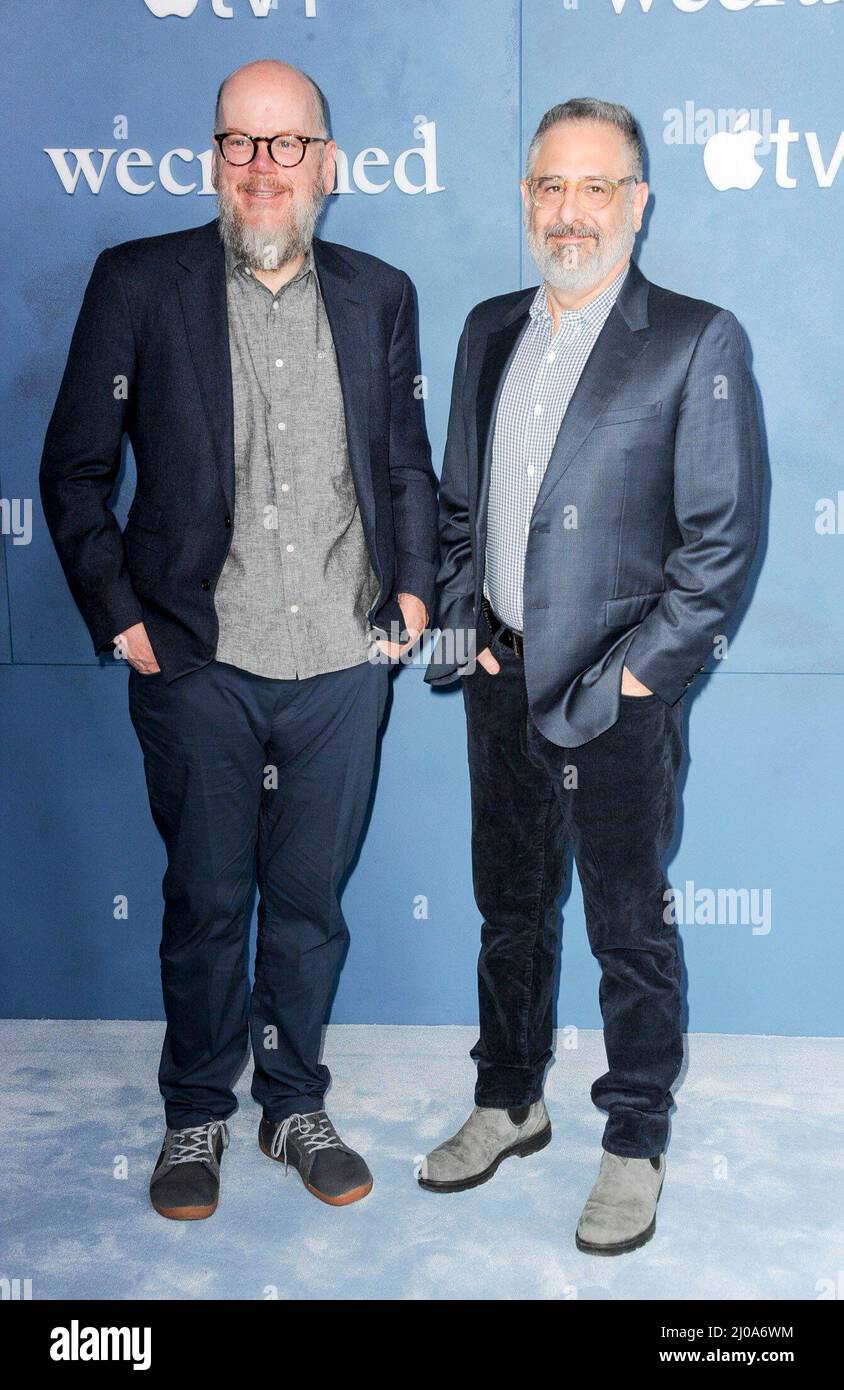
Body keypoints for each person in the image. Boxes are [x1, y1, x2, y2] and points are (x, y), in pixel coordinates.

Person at [40, 58, 437, 1219]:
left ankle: (294, 1101)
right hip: (197, 661)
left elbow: (405, 465)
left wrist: (412, 600)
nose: (262, 168)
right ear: (216, 159)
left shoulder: (380, 293)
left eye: (285, 145)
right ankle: (195, 1117)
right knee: (208, 900)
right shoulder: (139, 282)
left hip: (342, 667)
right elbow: (71, 470)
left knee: (309, 903)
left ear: (327, 162)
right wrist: (120, 615)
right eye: (239, 144)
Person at [422, 98, 763, 1255]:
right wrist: (461, 624)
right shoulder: (484, 330)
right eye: (548, 189)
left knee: (627, 926)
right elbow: (460, 503)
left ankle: (632, 1138)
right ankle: (510, 1098)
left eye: (594, 188)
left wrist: (638, 682)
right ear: (525, 201)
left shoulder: (693, 338)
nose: (569, 212)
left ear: (637, 201)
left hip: (614, 701)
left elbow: (719, 543)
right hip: (499, 682)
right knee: (509, 909)